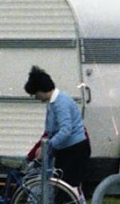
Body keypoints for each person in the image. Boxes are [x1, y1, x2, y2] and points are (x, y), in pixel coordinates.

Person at [25, 65, 91, 193]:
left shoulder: (61, 102)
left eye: (35, 94)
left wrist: (47, 146)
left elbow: (65, 130)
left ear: (41, 90)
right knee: (64, 188)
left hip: (74, 150)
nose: (35, 97)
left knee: (67, 189)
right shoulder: (53, 102)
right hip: (66, 150)